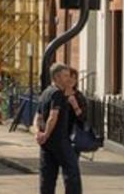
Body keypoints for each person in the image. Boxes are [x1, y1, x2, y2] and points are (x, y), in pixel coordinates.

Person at [34, 63, 82, 194]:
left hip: (46, 144)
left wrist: (38, 133)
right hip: (59, 140)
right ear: (57, 77)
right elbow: (52, 116)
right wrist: (46, 134)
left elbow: (38, 116)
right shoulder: (57, 94)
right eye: (65, 75)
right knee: (72, 173)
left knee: (47, 176)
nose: (68, 78)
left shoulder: (45, 93)